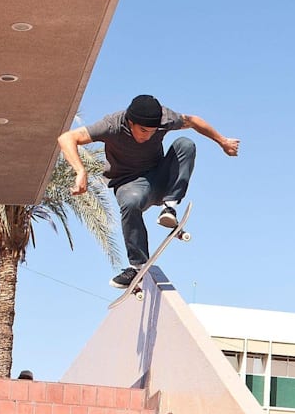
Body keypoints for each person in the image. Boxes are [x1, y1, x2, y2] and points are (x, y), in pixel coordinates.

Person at [58, 94, 239, 288]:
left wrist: (222, 141)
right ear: (130, 122)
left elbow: (193, 121)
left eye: (152, 131)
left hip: (159, 178)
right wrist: (80, 171)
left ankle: (170, 207)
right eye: (143, 130)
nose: (147, 136)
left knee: (185, 144)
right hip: (129, 184)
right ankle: (137, 266)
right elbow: (67, 137)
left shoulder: (165, 119)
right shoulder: (112, 125)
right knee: (130, 203)